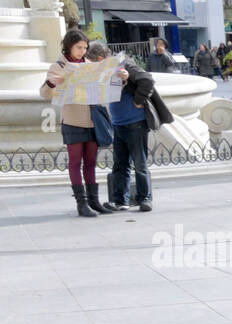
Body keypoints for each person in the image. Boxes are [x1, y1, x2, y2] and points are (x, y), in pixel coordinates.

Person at [39, 29, 115, 217]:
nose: (82, 51)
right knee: (75, 162)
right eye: (79, 47)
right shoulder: (58, 66)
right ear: (69, 46)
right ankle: (82, 204)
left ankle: (94, 201)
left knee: (90, 162)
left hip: (91, 119)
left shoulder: (90, 65)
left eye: (85, 47)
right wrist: (52, 83)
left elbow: (104, 88)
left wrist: (117, 78)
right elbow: (43, 93)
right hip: (72, 119)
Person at [104, 50, 173, 212]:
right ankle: (120, 200)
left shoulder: (125, 66)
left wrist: (138, 100)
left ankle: (145, 199)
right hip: (118, 123)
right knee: (120, 164)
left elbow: (147, 80)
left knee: (139, 163)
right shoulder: (103, 72)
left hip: (135, 122)